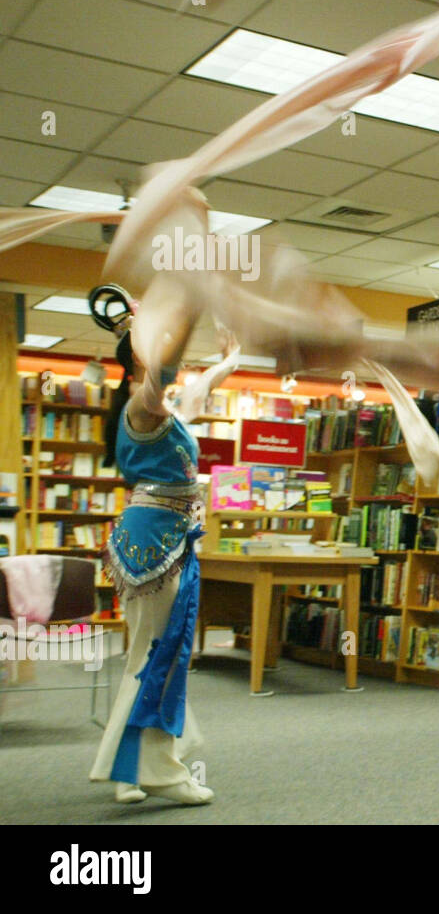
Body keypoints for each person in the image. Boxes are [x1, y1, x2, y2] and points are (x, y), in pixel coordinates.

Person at [87, 285, 239, 805]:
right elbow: (166, 372)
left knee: (148, 653)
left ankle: (130, 770)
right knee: (159, 655)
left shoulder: (158, 410)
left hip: (157, 537)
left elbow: (197, 387)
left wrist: (230, 359)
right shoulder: (143, 403)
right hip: (156, 542)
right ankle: (164, 772)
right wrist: (192, 303)